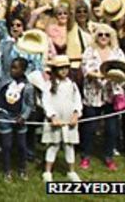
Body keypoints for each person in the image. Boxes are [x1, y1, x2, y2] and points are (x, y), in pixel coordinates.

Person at [79, 23, 125, 170]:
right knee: (90, 127)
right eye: (100, 34)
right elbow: (85, 68)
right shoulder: (89, 51)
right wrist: (98, 74)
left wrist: (114, 76)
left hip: (111, 94)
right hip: (93, 93)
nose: (104, 37)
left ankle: (109, 156)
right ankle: (86, 155)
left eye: (107, 35)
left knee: (112, 128)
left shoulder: (117, 51)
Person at [41, 55, 82, 183]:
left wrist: (76, 114)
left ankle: (71, 171)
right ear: (54, 70)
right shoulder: (49, 85)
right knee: (53, 145)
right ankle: (47, 172)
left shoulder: (72, 85)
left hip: (69, 121)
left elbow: (78, 101)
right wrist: (52, 116)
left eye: (66, 68)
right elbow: (45, 102)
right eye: (60, 68)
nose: (64, 71)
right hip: (55, 121)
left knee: (69, 146)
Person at [0, 57, 34, 182]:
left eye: (15, 68)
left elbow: (30, 104)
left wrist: (24, 116)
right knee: (6, 145)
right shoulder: (5, 83)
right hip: (5, 118)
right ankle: (7, 170)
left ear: (23, 70)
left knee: (22, 146)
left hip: (20, 120)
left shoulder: (28, 87)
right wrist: (0, 112)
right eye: (11, 67)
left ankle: (22, 169)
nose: (12, 70)